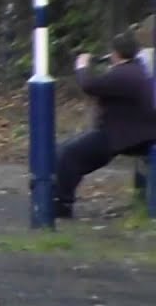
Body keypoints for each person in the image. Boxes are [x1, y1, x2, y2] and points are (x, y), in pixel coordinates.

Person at [54, 30, 156, 218]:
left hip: (125, 136)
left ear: (115, 53)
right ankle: (59, 196)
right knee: (69, 151)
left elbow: (89, 85)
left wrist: (82, 66)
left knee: (69, 154)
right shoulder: (136, 70)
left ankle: (62, 204)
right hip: (132, 132)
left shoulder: (124, 74)